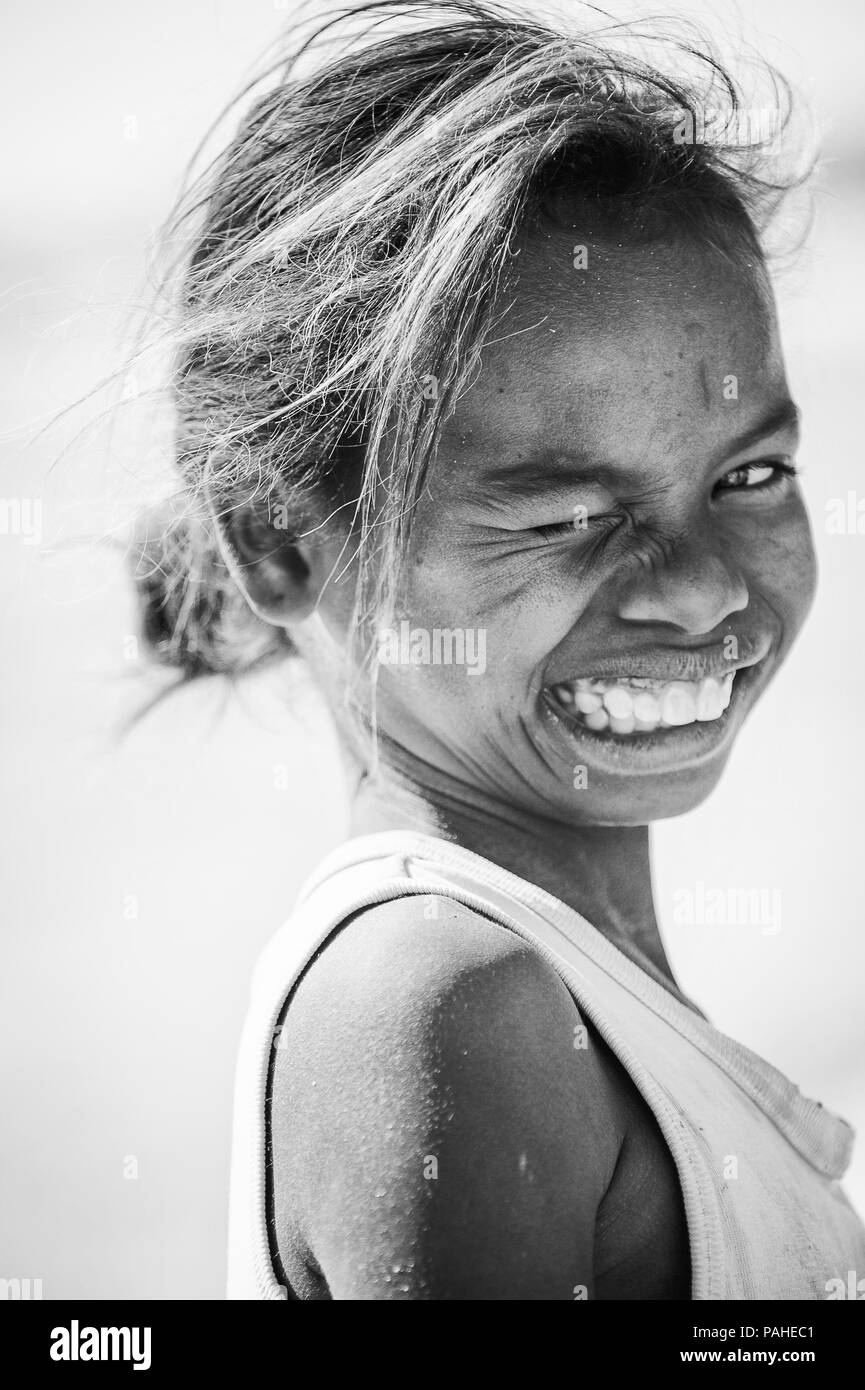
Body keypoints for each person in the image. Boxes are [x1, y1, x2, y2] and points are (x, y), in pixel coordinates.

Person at [132, 0, 865, 1299]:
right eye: (572, 516)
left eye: (748, 472)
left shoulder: (535, 991)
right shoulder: (444, 1000)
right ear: (279, 545)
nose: (698, 591)